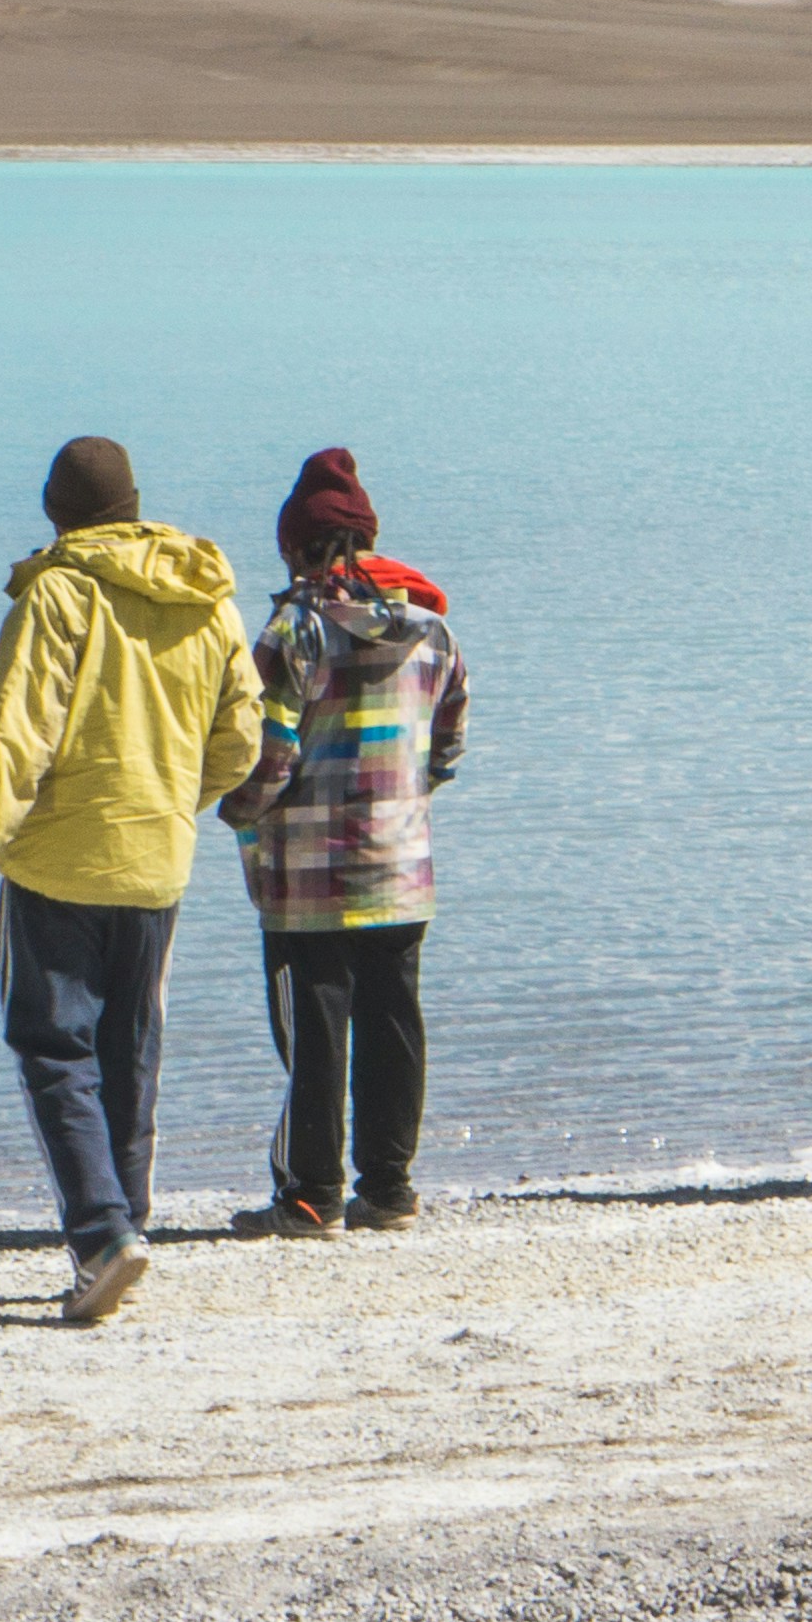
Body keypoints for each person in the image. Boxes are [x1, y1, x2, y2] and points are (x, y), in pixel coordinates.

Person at [0, 435, 263, 1327]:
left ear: (54, 513)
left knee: (55, 1049)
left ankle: (103, 1240)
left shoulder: (58, 594)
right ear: (135, 504)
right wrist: (178, 801)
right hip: (157, 861)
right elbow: (242, 737)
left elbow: (14, 743)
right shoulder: (208, 594)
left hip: (58, 863)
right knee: (129, 1051)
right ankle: (126, 1229)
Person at [221, 444, 471, 1237]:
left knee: (314, 1036)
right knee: (395, 1026)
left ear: (295, 546)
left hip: (308, 881)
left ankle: (309, 1196)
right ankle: (390, 1190)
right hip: (401, 869)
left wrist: (237, 811)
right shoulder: (434, 630)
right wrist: (402, 800)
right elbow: (448, 748)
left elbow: (271, 754)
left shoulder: (292, 631)